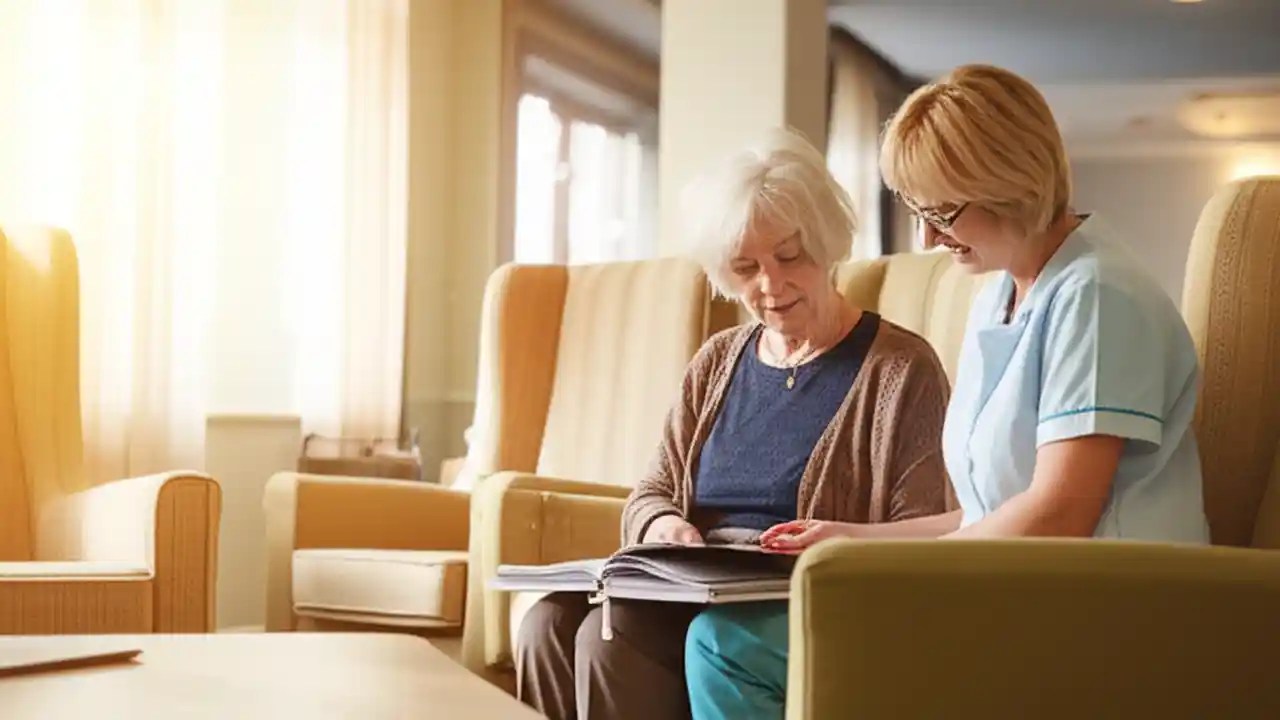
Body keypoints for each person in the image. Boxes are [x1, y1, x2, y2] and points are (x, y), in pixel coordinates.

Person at [682, 63, 1212, 719]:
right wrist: (850, 538)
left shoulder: (1097, 295)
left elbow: (1059, 515)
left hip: (1101, 614)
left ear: (1011, 186)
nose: (929, 238)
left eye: (942, 212)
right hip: (1026, 591)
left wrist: (890, 572)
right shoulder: (1005, 295)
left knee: (729, 647)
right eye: (919, 213)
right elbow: (989, 511)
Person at [514, 128, 955, 720]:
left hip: (790, 605)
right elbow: (651, 491)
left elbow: (922, 538)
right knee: (546, 621)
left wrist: (832, 539)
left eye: (789, 256)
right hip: (689, 588)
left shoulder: (901, 369)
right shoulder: (718, 360)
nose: (769, 285)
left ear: (826, 243)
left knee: (607, 640)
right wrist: (665, 523)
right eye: (746, 266)